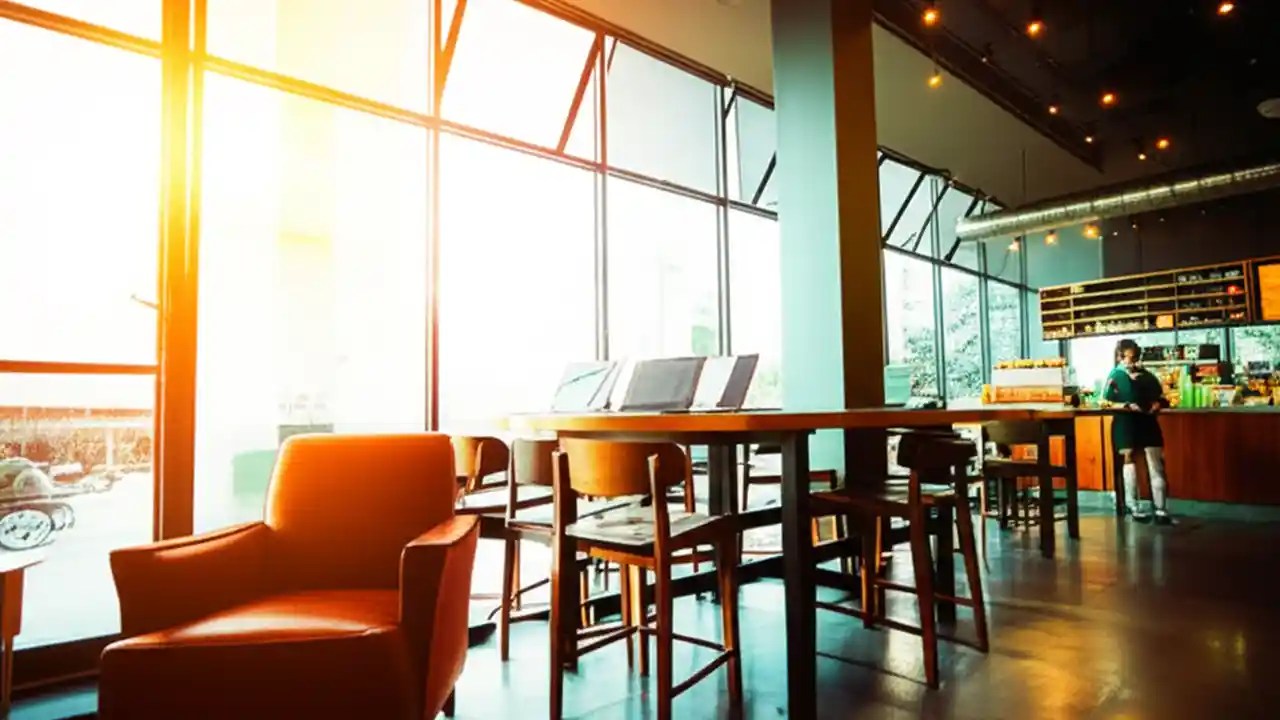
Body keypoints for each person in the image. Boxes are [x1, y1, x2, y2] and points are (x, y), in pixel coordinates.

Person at [1104, 338, 1172, 525]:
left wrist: (1157, 404)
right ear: (1120, 357)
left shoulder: (1147, 376)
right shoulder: (1116, 376)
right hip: (1126, 421)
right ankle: (1133, 505)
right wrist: (1125, 405)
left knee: (1154, 462)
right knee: (1130, 458)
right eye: (1129, 358)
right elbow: (1106, 401)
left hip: (1144, 421)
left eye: (1134, 358)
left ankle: (1160, 508)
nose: (1132, 362)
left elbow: (1161, 398)